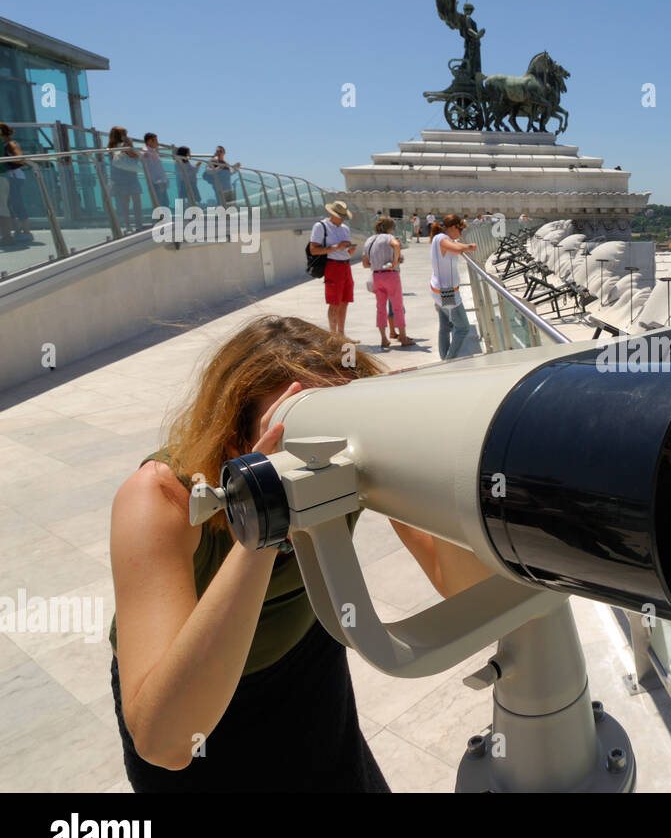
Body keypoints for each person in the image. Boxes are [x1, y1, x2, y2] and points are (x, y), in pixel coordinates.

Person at [107, 315, 492, 790]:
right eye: (297, 437)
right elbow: (166, 741)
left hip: (309, 663)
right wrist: (265, 501)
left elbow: (465, 588)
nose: (319, 459)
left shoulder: (346, 455)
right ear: (235, 442)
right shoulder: (160, 497)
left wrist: (422, 451)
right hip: (195, 688)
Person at [363, 217, 415, 349]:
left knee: (380, 308)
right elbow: (396, 245)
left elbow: (365, 264)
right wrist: (394, 261)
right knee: (397, 307)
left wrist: (376, 263)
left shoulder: (369, 240)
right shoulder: (388, 237)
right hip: (390, 275)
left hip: (376, 276)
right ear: (390, 228)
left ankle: (384, 339)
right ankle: (403, 337)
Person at [429, 213, 476, 360]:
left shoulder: (440, 238)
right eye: (460, 230)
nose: (460, 234)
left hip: (438, 290)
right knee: (463, 328)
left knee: (445, 326)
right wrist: (470, 247)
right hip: (447, 292)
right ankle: (450, 360)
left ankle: (444, 358)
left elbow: (455, 245)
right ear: (454, 227)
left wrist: (465, 246)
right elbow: (456, 249)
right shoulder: (442, 239)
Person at [309, 201, 358, 337]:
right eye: (341, 216)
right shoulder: (320, 226)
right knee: (334, 303)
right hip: (332, 265)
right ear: (332, 214)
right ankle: (333, 336)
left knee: (345, 302)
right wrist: (335, 247)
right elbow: (313, 250)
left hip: (346, 265)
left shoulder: (345, 228)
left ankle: (341, 335)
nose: (343, 219)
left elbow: (346, 252)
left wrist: (350, 250)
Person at [107, 126, 144, 232]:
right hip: (130, 175)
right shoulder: (123, 146)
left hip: (119, 176)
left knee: (125, 202)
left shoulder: (111, 147)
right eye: (124, 134)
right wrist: (130, 144)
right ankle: (138, 224)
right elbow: (135, 155)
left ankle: (128, 225)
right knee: (136, 201)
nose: (126, 136)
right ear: (121, 135)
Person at [0, 122, 31, 244]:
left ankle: (26, 231)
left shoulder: (11, 144)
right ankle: (17, 231)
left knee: (16, 203)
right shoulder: (5, 144)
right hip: (9, 177)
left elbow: (19, 159)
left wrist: (6, 164)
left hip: (14, 177)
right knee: (9, 205)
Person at [139, 132, 170, 210]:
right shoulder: (146, 152)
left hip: (160, 181)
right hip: (157, 182)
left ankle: (161, 221)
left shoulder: (153, 151)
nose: (158, 143)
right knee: (160, 203)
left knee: (164, 203)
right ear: (149, 141)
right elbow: (150, 169)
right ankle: (159, 221)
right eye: (156, 140)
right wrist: (158, 182)